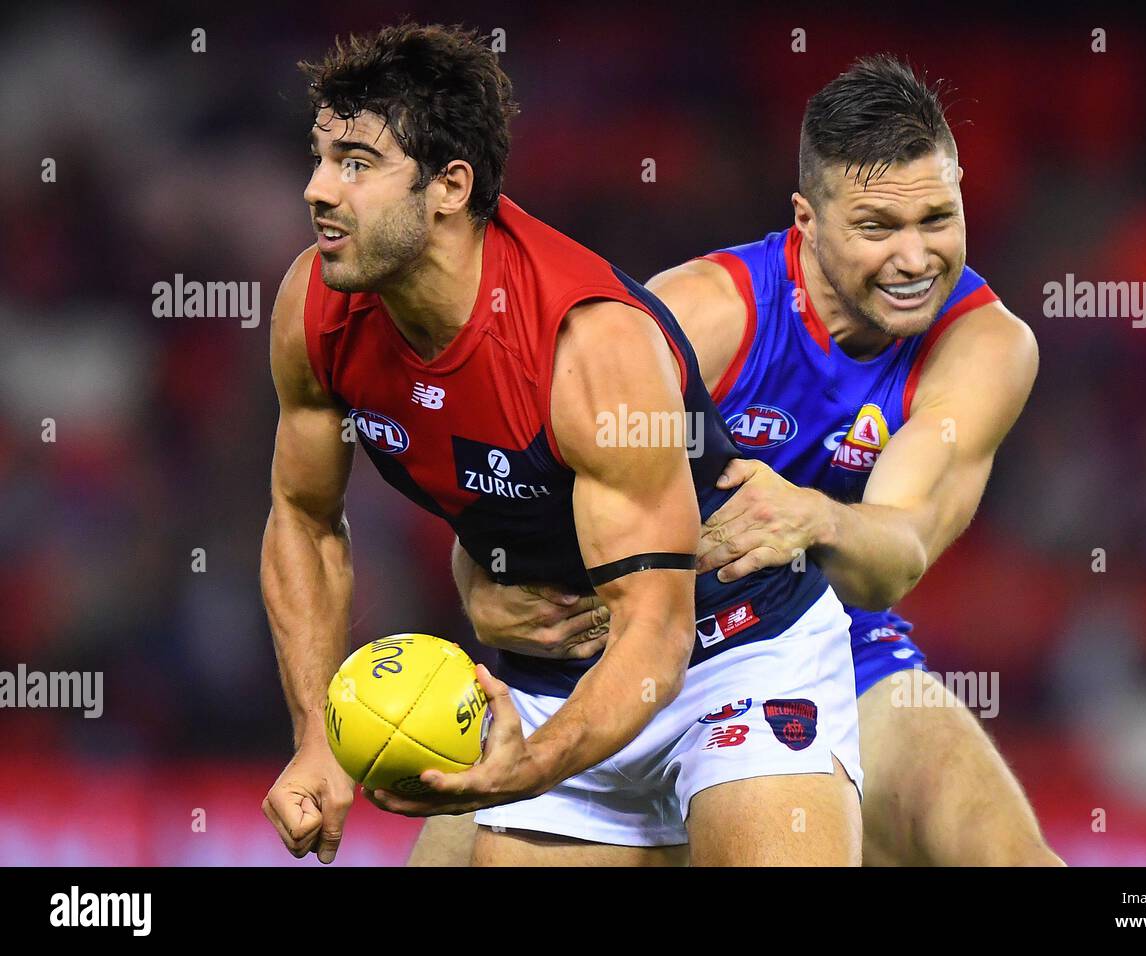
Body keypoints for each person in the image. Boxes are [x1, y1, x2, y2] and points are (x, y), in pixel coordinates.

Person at [411, 55, 1064, 867]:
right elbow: (515, 479)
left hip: (836, 646)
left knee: (1008, 859)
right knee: (446, 855)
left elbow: (894, 557)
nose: (915, 258)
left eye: (937, 218)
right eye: (876, 228)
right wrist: (479, 585)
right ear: (807, 219)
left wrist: (815, 516)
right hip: (636, 650)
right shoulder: (699, 315)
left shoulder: (986, 344)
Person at [260, 22, 864, 867]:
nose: (319, 190)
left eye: (357, 165)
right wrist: (315, 740)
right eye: (320, 157)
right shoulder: (315, 309)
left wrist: (521, 773)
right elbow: (303, 517)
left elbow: (655, 635)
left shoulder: (585, 345)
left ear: (449, 187)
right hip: (549, 676)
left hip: (733, 652)